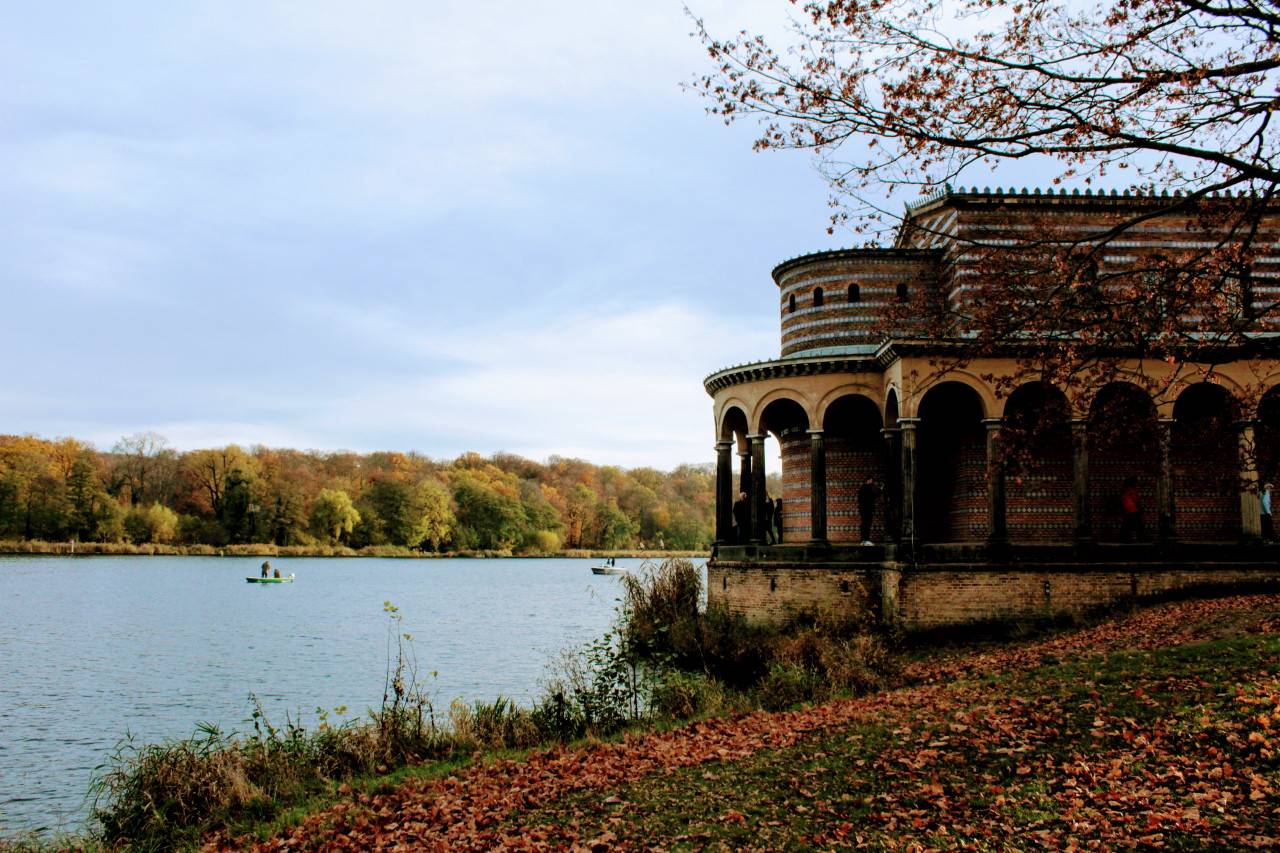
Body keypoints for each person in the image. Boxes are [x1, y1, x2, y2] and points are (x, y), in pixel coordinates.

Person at [1120, 477, 1143, 542]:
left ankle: (1124, 537)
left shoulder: (1124, 490)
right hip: (1132, 509)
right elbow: (1135, 499)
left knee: (1126, 524)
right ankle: (1138, 537)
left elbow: (1123, 499)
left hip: (1126, 509)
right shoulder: (1132, 490)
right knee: (1135, 524)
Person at [857, 476, 879, 545]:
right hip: (867, 509)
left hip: (863, 509)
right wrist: (880, 490)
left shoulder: (862, 488)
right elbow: (873, 496)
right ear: (867, 480)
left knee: (864, 524)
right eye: (871, 480)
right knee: (867, 524)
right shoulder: (868, 488)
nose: (872, 482)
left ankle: (863, 540)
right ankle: (866, 540)